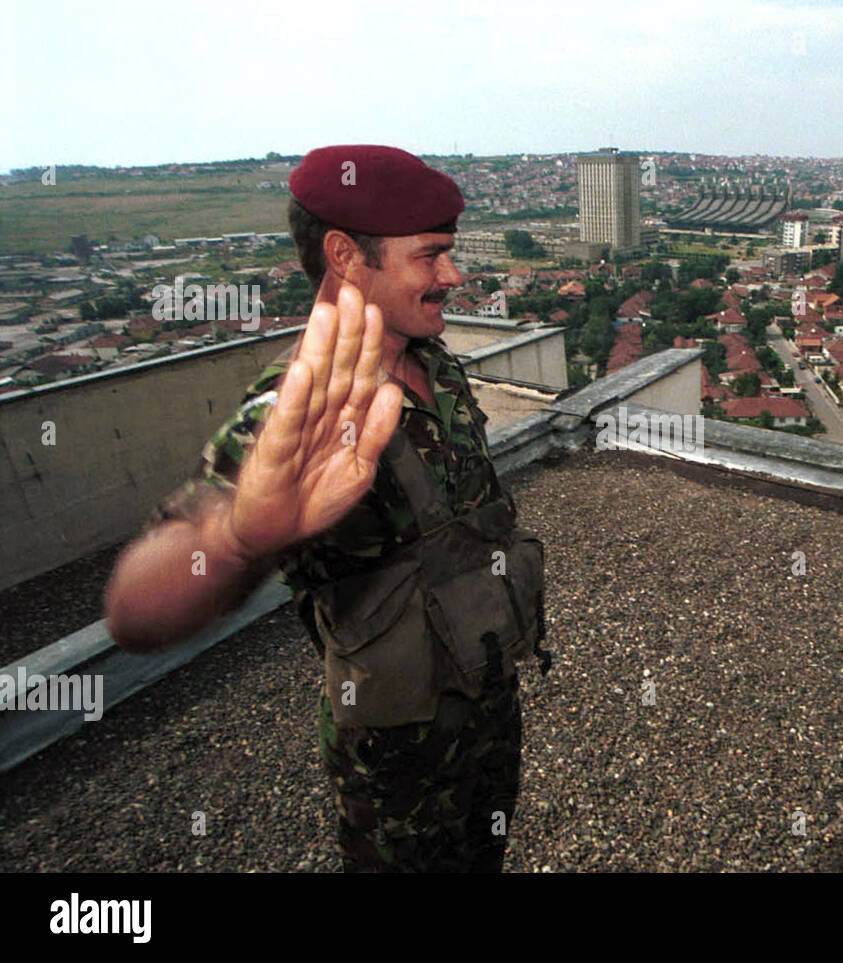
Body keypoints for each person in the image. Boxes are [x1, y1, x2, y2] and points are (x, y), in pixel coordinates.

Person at [105, 145, 546, 872]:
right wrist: (240, 534)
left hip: (485, 711)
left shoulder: (432, 362)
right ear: (345, 254)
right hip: (398, 765)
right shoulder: (292, 411)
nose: (453, 275)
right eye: (430, 255)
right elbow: (133, 612)